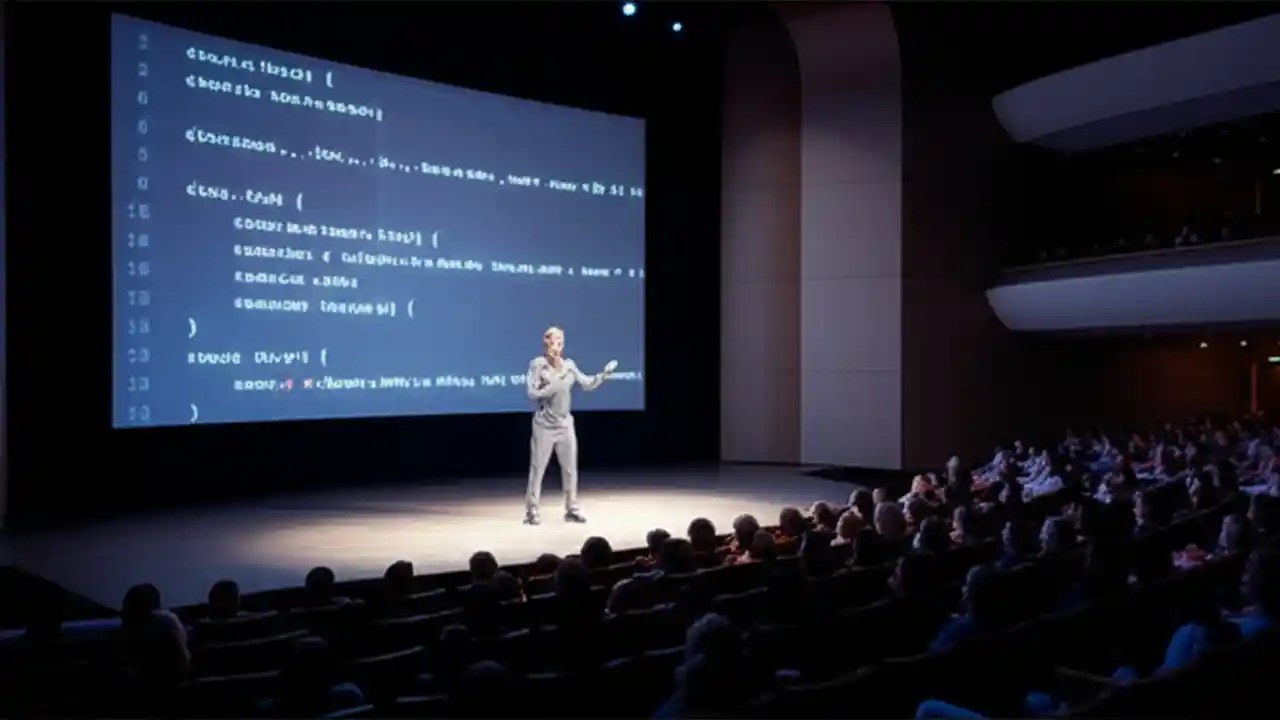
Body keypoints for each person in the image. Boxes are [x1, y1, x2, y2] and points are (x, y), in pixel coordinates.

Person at [524, 326, 615, 525]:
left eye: (559, 341)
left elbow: (587, 383)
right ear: (546, 343)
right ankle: (532, 510)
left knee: (570, 468)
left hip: (565, 424)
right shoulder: (538, 365)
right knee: (538, 468)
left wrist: (603, 375)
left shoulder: (569, 366)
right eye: (552, 341)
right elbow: (531, 393)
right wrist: (550, 387)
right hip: (544, 425)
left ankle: (571, 508)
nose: (556, 345)